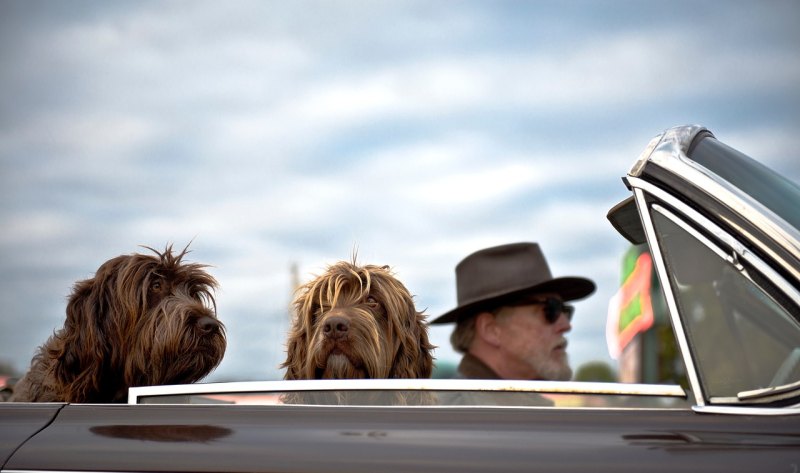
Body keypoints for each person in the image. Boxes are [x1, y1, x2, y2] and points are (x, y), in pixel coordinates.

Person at [431, 242, 595, 403]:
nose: (565, 325)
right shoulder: (448, 418)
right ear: (491, 330)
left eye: (565, 311)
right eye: (550, 309)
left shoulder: (523, 411)